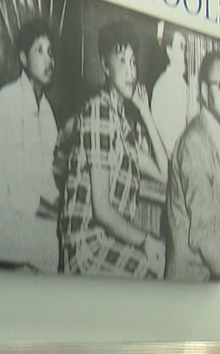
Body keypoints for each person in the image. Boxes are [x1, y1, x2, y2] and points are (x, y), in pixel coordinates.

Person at [58, 20, 170, 279]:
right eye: (122, 60)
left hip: (110, 240)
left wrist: (146, 113)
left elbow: (163, 174)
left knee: (168, 262)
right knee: (158, 271)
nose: (132, 71)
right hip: (87, 246)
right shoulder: (99, 111)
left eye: (133, 62)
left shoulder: (120, 121)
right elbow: (102, 210)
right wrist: (145, 241)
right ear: (105, 65)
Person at [0, 19, 61, 273]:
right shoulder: (8, 102)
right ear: (23, 58)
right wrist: (58, 214)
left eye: (50, 52)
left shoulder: (45, 110)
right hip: (4, 223)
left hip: (30, 216)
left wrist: (61, 203)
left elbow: (44, 175)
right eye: (39, 51)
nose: (48, 60)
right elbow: (16, 186)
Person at [165, 51, 220, 282]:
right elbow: (204, 237)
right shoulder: (195, 143)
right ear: (204, 92)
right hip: (192, 283)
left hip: (214, 278)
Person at [151, 23, 193, 157]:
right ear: (169, 51)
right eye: (181, 47)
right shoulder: (165, 85)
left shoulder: (182, 84)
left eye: (186, 48)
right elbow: (170, 144)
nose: (185, 53)